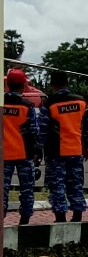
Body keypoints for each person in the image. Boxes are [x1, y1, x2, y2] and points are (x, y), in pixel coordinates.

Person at [39, 71, 88, 222]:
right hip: (76, 150)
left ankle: (60, 217)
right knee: (76, 184)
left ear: (52, 85)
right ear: (67, 83)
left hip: (56, 153)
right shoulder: (81, 102)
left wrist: (38, 150)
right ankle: (77, 216)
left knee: (57, 186)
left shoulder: (49, 104)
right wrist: (87, 146)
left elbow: (42, 129)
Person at [4, 69, 41, 225]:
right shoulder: (27, 106)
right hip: (24, 154)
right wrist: (37, 151)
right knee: (27, 189)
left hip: (4, 155)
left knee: (2, 190)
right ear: (22, 86)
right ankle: (24, 219)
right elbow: (34, 130)